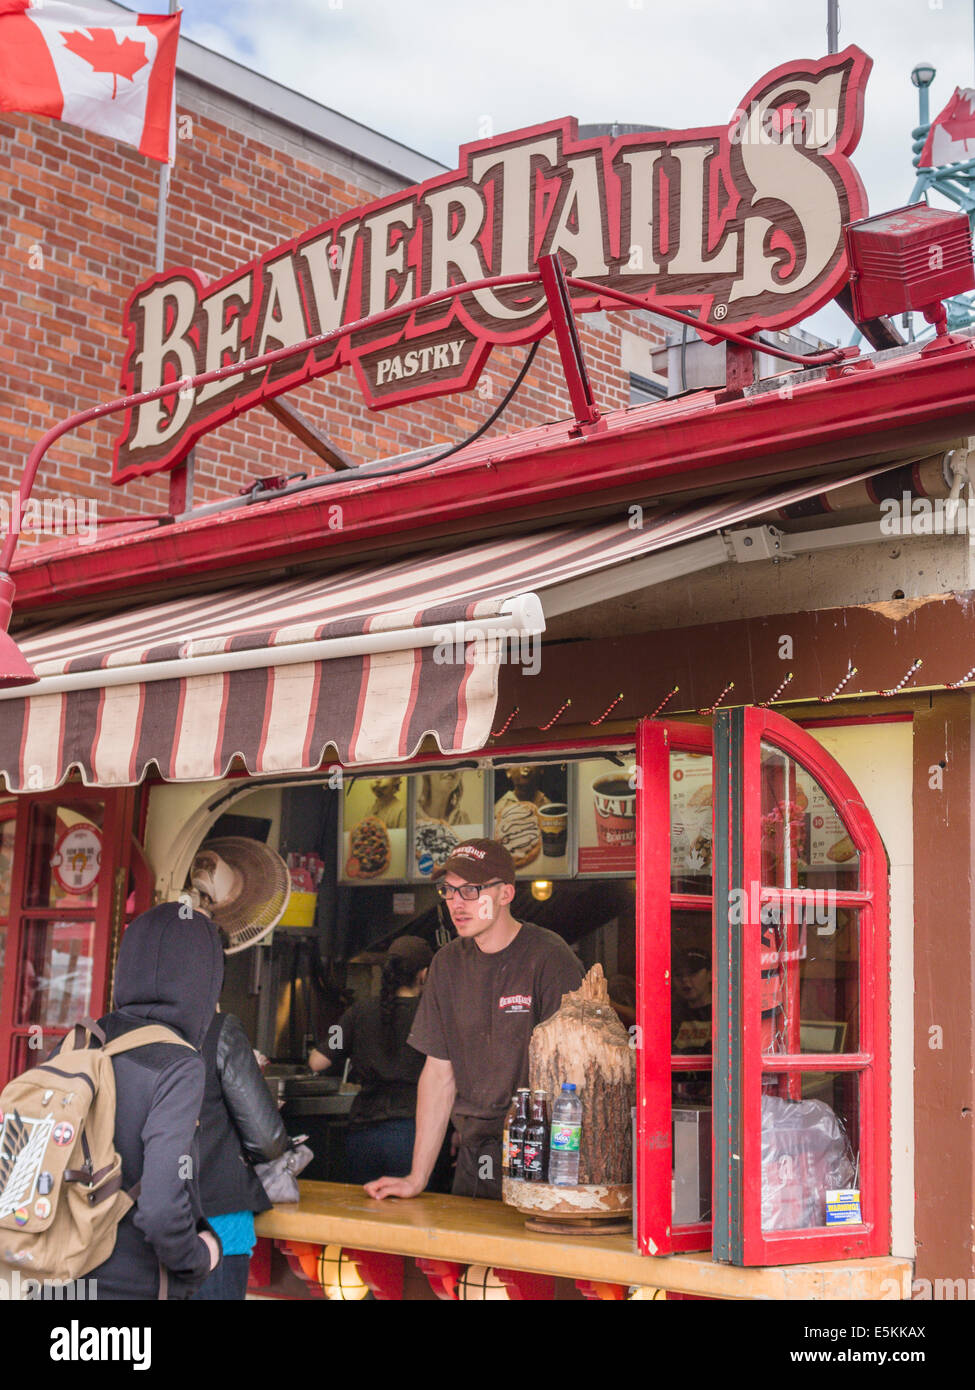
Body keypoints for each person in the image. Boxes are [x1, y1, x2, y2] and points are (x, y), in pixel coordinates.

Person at [365, 839, 583, 1203]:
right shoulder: (447, 964)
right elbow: (438, 1073)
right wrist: (417, 1176)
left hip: (540, 1153)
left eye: (470, 890)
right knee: (472, 1260)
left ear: (506, 893)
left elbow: (573, 1072)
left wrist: (565, 1162)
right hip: (473, 1155)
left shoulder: (548, 957)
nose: (456, 903)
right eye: (448, 891)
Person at [54, 902, 225, 1300]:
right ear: (203, 981)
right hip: (127, 1291)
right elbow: (162, 1209)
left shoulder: (77, 1043)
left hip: (47, 1276)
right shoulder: (178, 1063)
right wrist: (201, 1255)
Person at [308, 936, 432, 1184]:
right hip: (411, 1133)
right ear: (424, 974)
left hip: (362, 1133)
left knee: (363, 1213)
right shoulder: (432, 1014)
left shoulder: (358, 1011)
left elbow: (317, 1061)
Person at [190, 1008, 291, 1300]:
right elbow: (267, 1139)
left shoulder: (108, 1031)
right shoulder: (218, 1029)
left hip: (128, 1226)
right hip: (215, 1224)